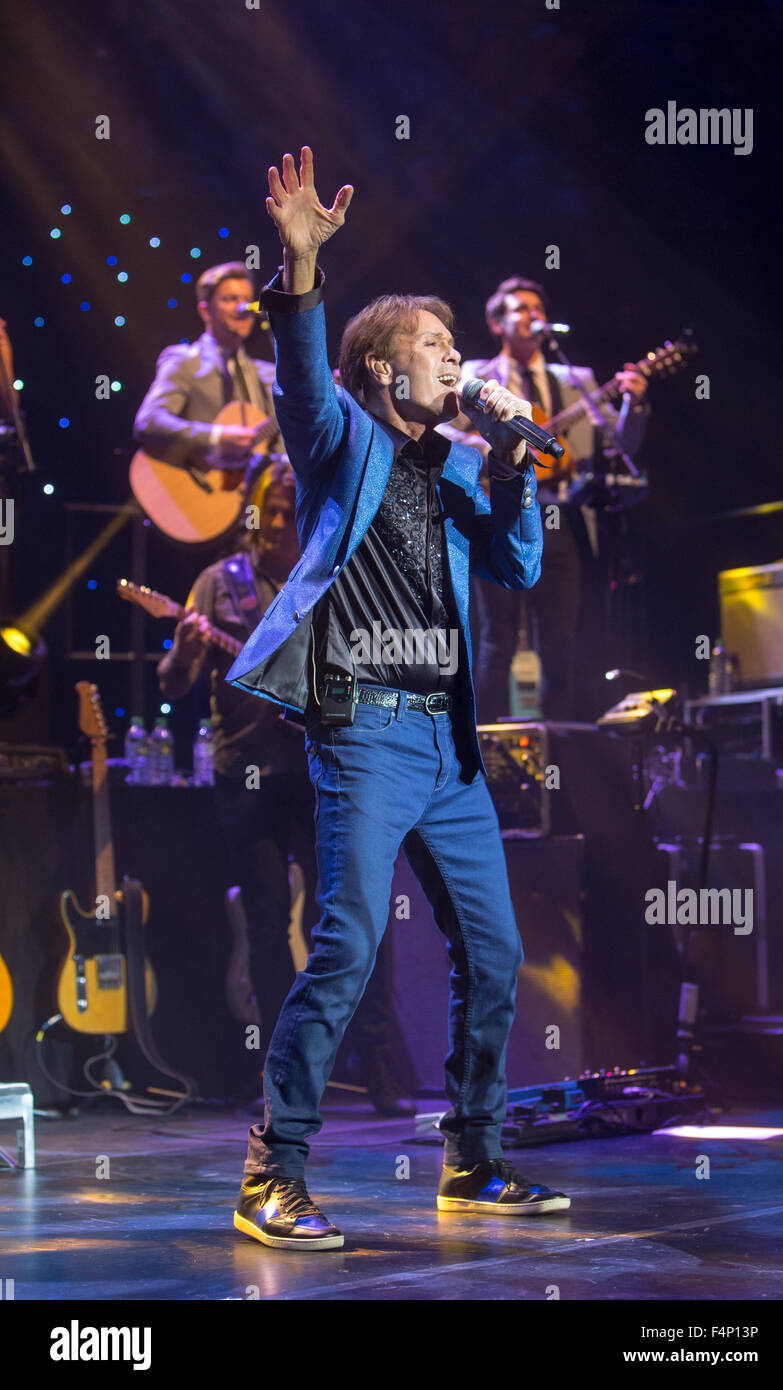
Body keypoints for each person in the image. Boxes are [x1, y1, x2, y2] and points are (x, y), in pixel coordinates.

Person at [226, 146, 571, 1252]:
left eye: (455, 345)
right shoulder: (343, 440)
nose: (456, 359)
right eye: (436, 345)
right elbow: (298, 370)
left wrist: (514, 456)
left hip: (448, 744)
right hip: (364, 729)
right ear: (380, 367)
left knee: (496, 950)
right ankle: (270, 1173)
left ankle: (471, 1159)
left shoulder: (467, 461)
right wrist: (299, 265)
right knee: (350, 941)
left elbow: (515, 565)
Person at [157, 460, 416, 1117]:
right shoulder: (220, 583)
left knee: (358, 917)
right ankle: (282, 1075)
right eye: (266, 509)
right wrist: (187, 653)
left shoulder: (337, 573)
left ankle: (380, 1065)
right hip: (248, 774)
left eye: (286, 508)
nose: (275, 521)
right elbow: (172, 683)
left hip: (329, 769)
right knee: (268, 927)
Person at [450, 276, 650, 721]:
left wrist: (632, 407)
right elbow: (443, 433)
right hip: (498, 512)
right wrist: (494, 446)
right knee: (498, 634)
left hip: (560, 515)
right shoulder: (476, 377)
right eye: (519, 308)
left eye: (537, 307)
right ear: (496, 322)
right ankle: (488, 741)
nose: (532, 315)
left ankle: (560, 740)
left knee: (560, 635)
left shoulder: (577, 379)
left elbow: (620, 448)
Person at [134, 259, 278, 478]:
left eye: (247, 300)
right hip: (199, 492)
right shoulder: (184, 360)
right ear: (205, 311)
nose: (243, 308)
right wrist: (217, 437)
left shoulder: (268, 374)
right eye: (230, 299)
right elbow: (149, 421)